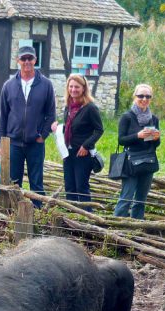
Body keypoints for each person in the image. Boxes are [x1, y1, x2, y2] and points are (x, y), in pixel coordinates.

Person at [0, 45, 56, 208]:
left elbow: (51, 114)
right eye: (23, 58)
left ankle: (38, 213)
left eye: (30, 58)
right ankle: (13, 212)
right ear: (18, 60)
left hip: (35, 143)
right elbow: (3, 116)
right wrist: (1, 143)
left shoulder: (46, 85)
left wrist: (42, 136)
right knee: (13, 182)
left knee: (36, 182)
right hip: (14, 143)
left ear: (35, 60)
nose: (27, 62)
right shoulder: (8, 86)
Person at [50, 74, 103, 211]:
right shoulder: (68, 107)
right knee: (70, 186)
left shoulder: (90, 108)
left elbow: (99, 130)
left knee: (81, 187)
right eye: (71, 86)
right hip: (68, 153)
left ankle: (87, 216)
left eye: (77, 87)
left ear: (83, 88)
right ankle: (72, 215)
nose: (73, 89)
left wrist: (86, 145)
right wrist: (58, 128)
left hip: (82, 154)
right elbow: (71, 128)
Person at [113, 83, 161, 219]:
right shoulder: (127, 117)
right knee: (126, 197)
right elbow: (121, 140)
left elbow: (155, 144)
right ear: (135, 96)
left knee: (141, 200)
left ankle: (137, 226)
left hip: (148, 161)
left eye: (148, 96)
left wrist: (156, 138)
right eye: (141, 96)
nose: (144, 99)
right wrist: (138, 135)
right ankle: (116, 225)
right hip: (130, 162)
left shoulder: (154, 119)